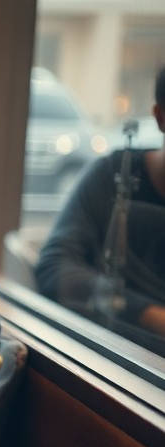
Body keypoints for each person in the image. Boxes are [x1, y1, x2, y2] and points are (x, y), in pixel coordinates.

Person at [35, 66, 165, 354]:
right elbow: (54, 269)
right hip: (106, 359)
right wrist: (149, 314)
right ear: (159, 117)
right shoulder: (113, 177)